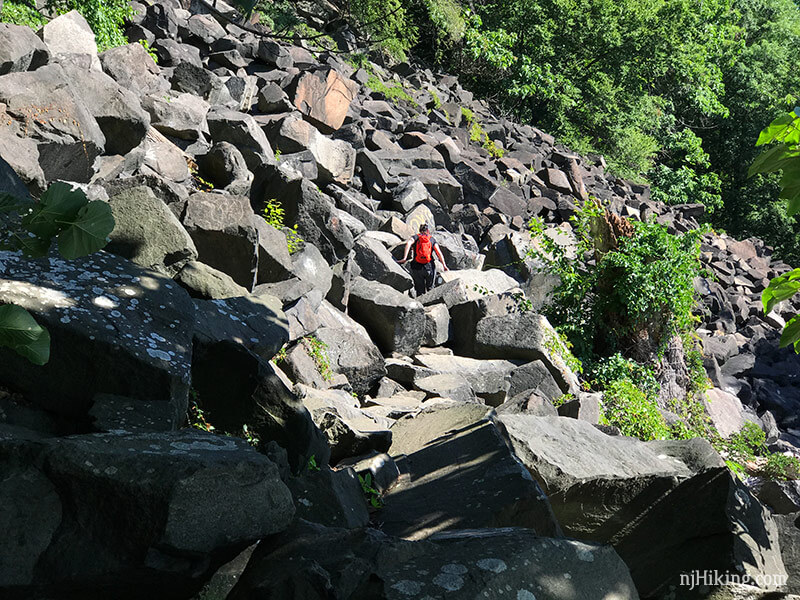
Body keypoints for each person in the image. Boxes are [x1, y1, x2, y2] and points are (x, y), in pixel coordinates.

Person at [397, 223, 448, 296]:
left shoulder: (415, 237)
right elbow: (439, 253)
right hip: (429, 267)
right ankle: (430, 305)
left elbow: (408, 244)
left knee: (420, 291)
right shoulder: (431, 239)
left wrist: (404, 258)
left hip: (417, 268)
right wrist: (444, 265)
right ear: (428, 230)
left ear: (419, 230)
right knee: (431, 289)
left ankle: (420, 305)